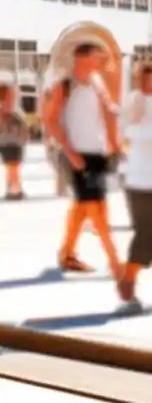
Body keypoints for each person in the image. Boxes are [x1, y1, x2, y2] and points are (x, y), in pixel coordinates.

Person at [42, 42, 123, 278]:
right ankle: (116, 263)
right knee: (97, 210)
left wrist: (115, 142)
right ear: (84, 58)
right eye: (100, 56)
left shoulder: (97, 82)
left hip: (97, 154)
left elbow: (108, 111)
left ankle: (67, 253)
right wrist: (70, 152)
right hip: (77, 155)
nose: (104, 60)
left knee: (82, 208)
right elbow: (50, 120)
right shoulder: (66, 86)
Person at [117, 62, 152, 314]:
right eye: (144, 78)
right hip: (139, 182)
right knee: (144, 235)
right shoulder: (134, 101)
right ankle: (127, 281)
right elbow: (123, 133)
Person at [0, 82, 29, 200]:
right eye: (11, 94)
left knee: (13, 166)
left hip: (15, 141)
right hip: (7, 141)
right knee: (13, 166)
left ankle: (12, 188)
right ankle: (16, 190)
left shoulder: (13, 108)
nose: (13, 96)